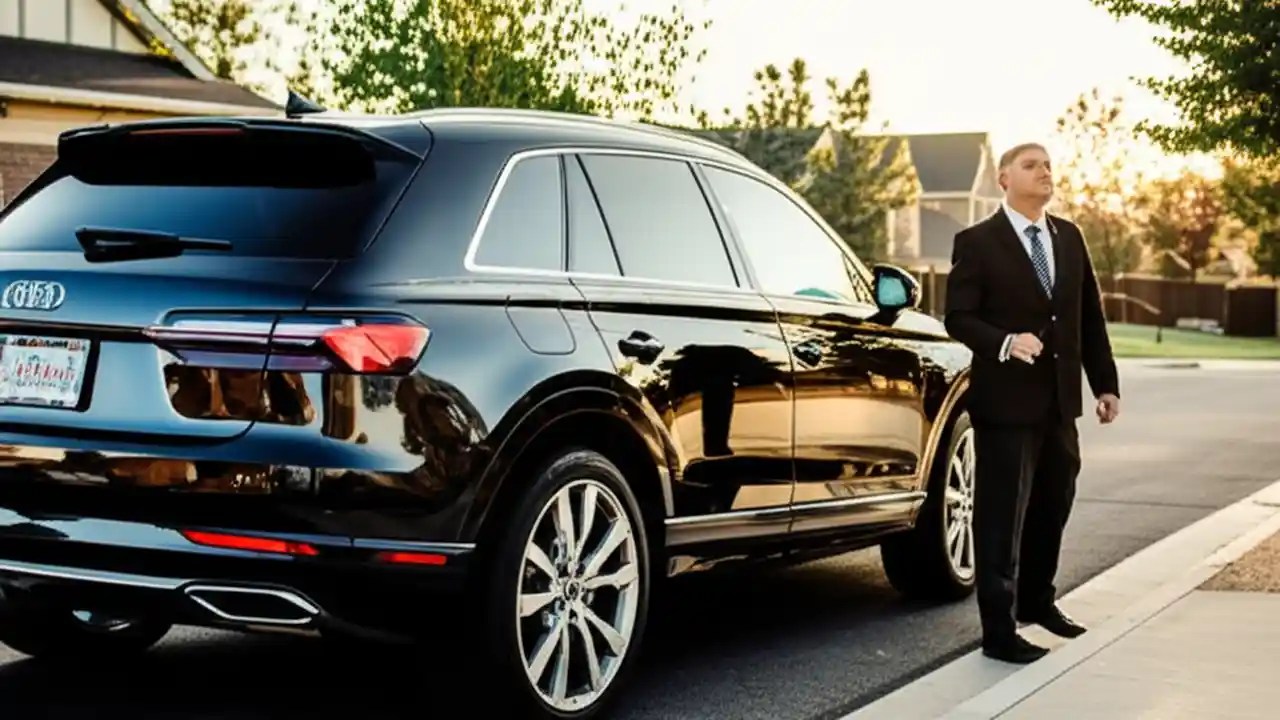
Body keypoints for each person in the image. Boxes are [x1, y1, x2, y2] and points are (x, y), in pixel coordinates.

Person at [944, 142, 1121, 664]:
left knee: (1054, 503)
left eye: (1047, 164)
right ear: (1003, 179)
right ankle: (999, 632)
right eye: (1030, 164)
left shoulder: (1069, 237)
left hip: (1059, 404)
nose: (1044, 171)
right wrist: (1005, 342)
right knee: (1001, 517)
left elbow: (1089, 316)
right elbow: (958, 316)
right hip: (1005, 404)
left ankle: (1037, 604)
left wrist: (1104, 385)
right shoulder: (977, 242)